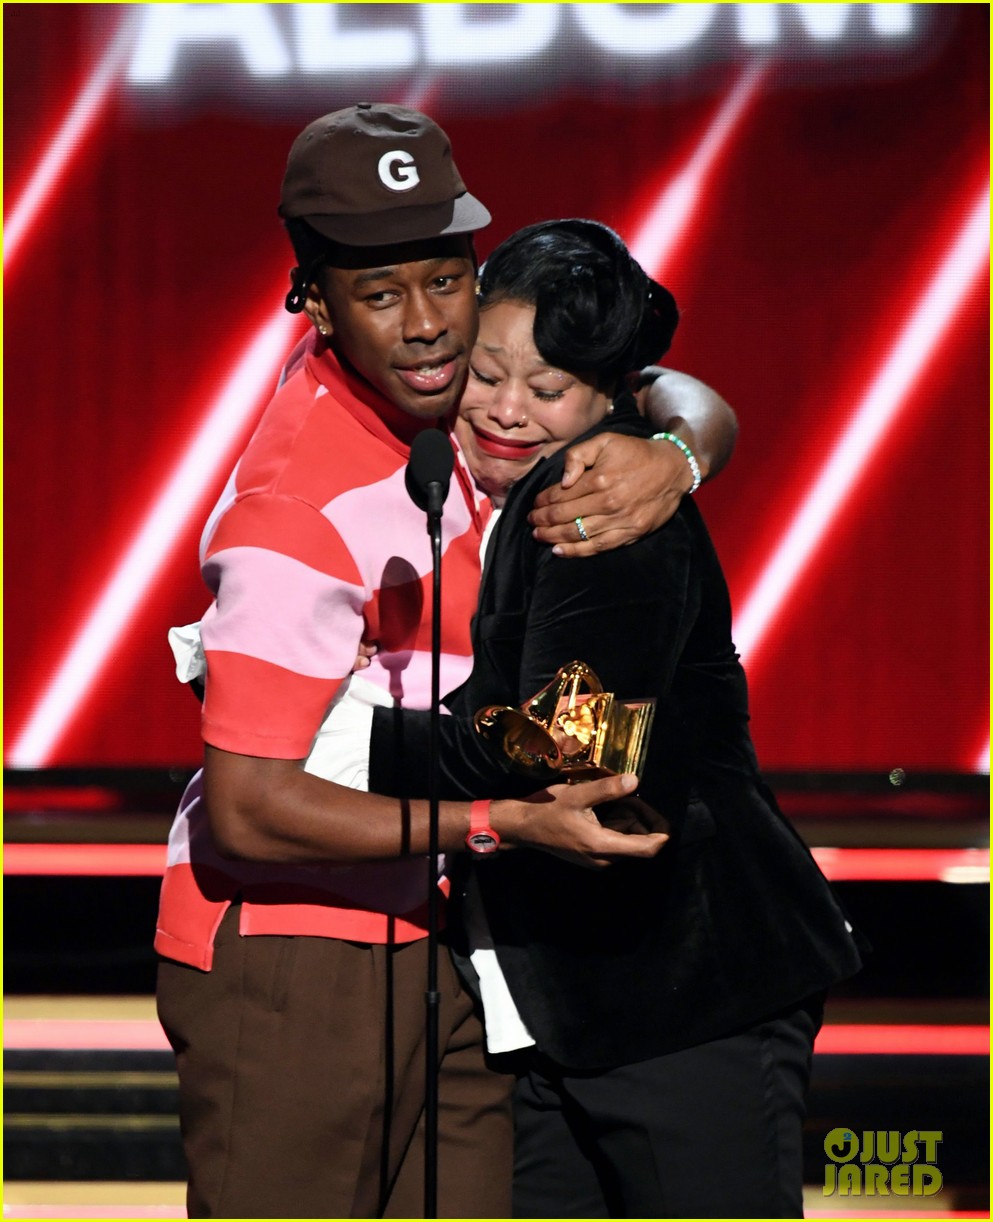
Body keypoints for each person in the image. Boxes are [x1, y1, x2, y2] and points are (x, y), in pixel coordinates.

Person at [155, 105, 738, 1219]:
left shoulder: (458, 408)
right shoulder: (299, 506)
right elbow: (249, 809)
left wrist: (677, 450)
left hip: (453, 943)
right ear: (316, 305)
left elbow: (655, 382)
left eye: (446, 282)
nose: (427, 328)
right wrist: (501, 823)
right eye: (381, 295)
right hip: (298, 951)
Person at [365, 219, 866, 1218]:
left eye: (547, 389)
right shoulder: (472, 471)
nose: (505, 408)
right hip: (564, 1005)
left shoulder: (598, 503)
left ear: (608, 398)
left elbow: (574, 743)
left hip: (683, 999)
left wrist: (351, 743)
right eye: (485, 373)